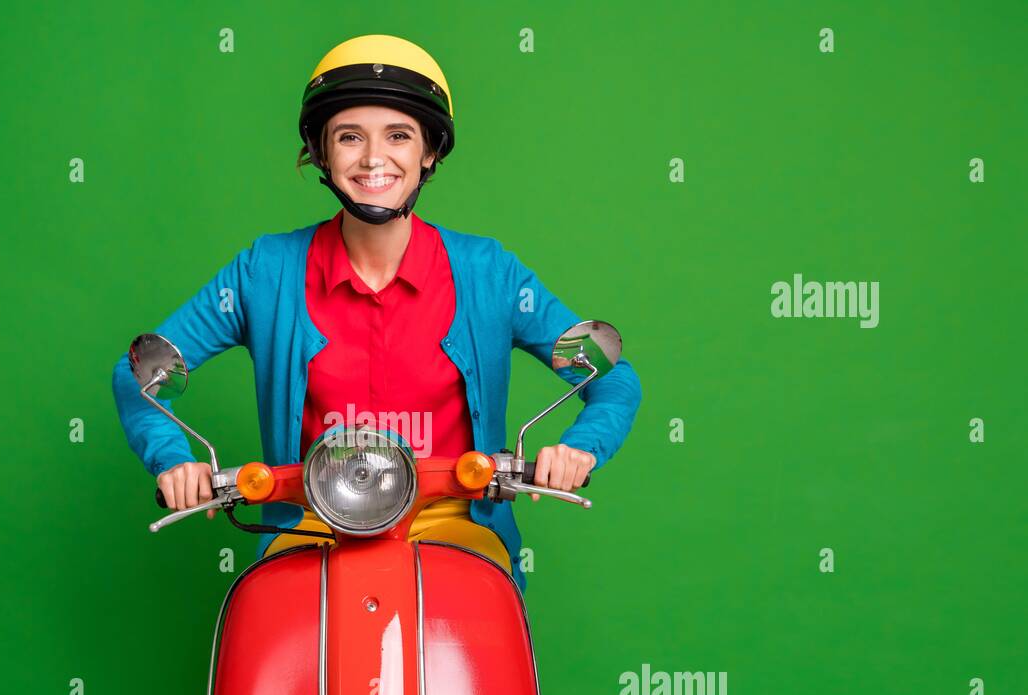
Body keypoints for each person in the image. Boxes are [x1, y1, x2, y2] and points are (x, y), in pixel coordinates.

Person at [111, 34, 642, 594]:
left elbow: (612, 378)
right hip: (311, 528)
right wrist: (175, 461)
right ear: (320, 151)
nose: (372, 159)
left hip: (454, 529)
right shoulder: (265, 271)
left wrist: (579, 449)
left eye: (398, 136)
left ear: (429, 152)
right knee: (265, 628)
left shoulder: (490, 273)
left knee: (480, 637)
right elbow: (139, 372)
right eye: (348, 137)